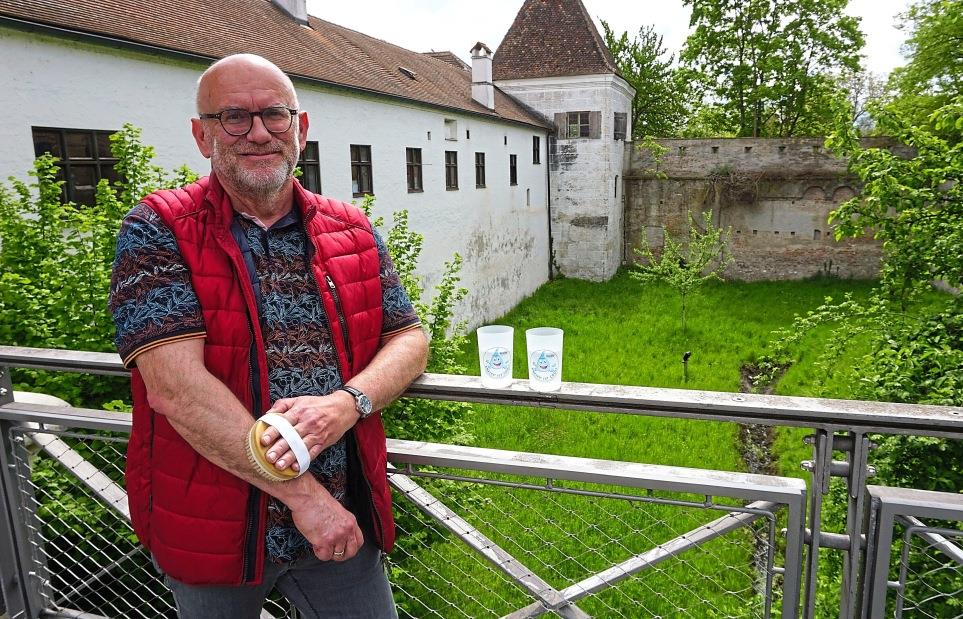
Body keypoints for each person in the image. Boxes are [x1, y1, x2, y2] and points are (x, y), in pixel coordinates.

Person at [108, 53, 428, 618]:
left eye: (274, 115)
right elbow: (176, 388)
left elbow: (409, 339)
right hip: (214, 527)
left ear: (300, 129)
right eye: (233, 117)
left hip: (342, 523)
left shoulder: (351, 228)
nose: (258, 133)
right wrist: (306, 500)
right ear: (201, 135)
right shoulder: (156, 228)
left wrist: (347, 403)